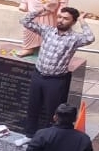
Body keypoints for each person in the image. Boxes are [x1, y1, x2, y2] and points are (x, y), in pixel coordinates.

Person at [21, 7, 94, 136]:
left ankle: (48, 137)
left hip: (55, 80)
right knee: (33, 107)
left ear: (73, 22)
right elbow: (25, 21)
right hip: (38, 76)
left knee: (53, 112)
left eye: (66, 18)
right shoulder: (48, 30)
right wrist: (41, 10)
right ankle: (29, 135)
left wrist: (83, 21)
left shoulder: (75, 38)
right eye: (59, 17)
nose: (60, 20)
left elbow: (90, 38)